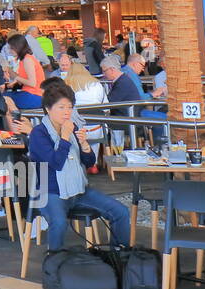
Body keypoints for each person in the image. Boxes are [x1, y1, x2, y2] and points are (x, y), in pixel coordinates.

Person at [27, 80, 131, 251]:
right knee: (59, 223)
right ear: (48, 108)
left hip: (79, 190)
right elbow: (56, 163)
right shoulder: (39, 133)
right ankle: (54, 263)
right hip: (51, 192)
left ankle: (119, 258)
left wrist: (84, 145)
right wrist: (65, 137)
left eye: (69, 107)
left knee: (120, 212)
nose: (67, 112)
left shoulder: (71, 127)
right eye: (61, 107)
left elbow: (89, 163)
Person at [3, 34, 45, 110]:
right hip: (33, 95)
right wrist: (9, 70)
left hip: (33, 96)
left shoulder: (27, 60)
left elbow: (32, 83)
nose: (10, 51)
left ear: (17, 47)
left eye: (11, 48)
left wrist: (16, 78)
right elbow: (22, 81)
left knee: (2, 98)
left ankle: (13, 119)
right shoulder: (25, 59)